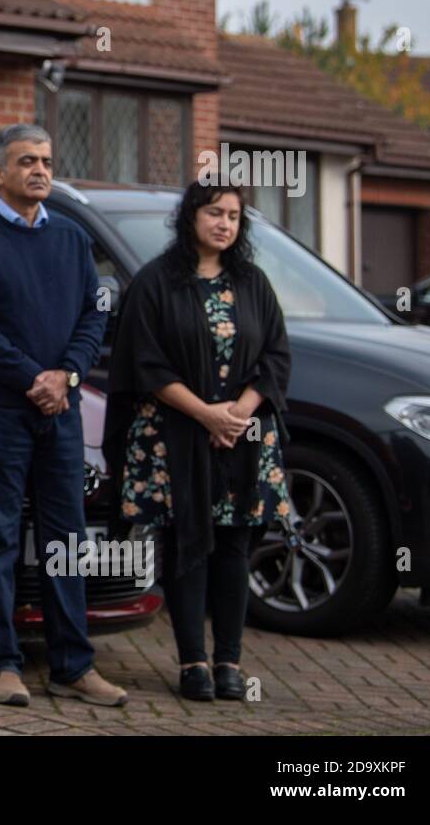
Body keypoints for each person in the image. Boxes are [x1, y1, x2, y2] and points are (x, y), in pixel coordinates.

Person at [0, 123, 127, 708]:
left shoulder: (71, 239)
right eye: (27, 161)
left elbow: (93, 315)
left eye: (46, 160)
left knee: (65, 537)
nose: (40, 170)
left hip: (61, 410)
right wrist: (32, 378)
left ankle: (73, 664)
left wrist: (65, 375)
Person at [103, 179, 292, 702]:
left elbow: (275, 355)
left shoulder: (252, 282)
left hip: (242, 437)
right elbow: (143, 361)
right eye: (214, 213)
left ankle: (229, 660)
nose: (224, 224)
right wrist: (206, 413)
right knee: (187, 544)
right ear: (190, 218)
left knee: (233, 546)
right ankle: (193, 663)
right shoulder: (155, 282)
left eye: (233, 216)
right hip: (174, 436)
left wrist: (240, 411)